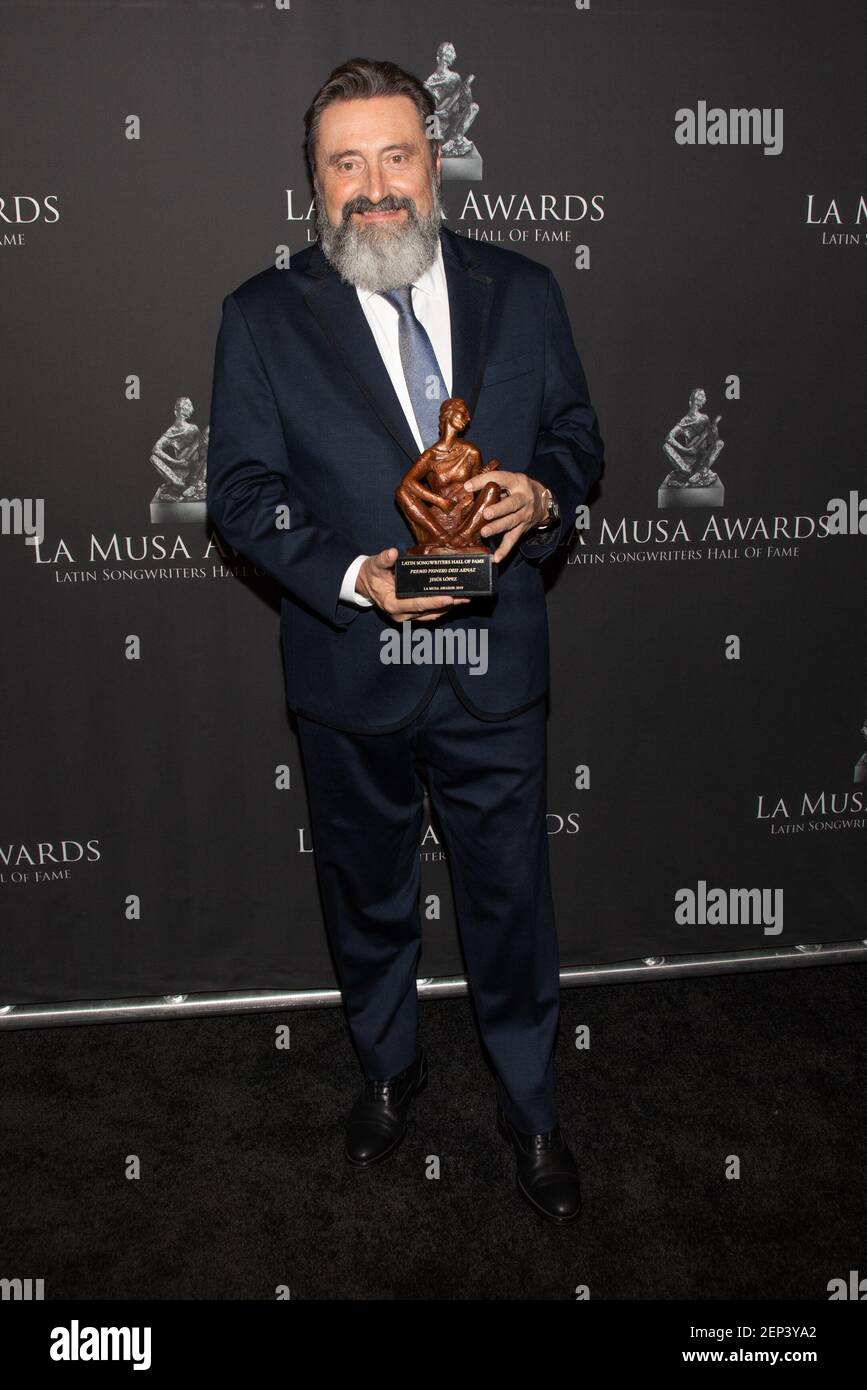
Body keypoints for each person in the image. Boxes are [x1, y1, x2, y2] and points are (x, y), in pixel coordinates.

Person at [207, 56, 605, 1224]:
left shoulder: (525, 292)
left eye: (394, 156)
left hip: (495, 666)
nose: (373, 187)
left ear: (434, 162)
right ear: (314, 183)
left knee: (509, 901)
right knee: (368, 897)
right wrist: (352, 572)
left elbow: (579, 433)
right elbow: (239, 490)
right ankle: (389, 1069)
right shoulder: (260, 315)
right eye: (346, 164)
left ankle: (530, 1104)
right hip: (350, 671)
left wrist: (544, 499)